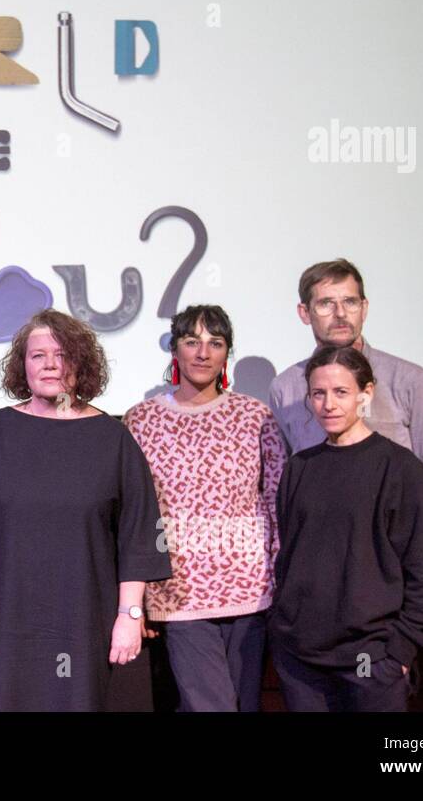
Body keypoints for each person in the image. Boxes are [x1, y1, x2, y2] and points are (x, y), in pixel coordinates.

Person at [0, 309, 171, 711]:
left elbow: (139, 534)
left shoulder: (112, 439)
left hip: (87, 622)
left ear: (81, 363)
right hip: (7, 622)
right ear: (23, 366)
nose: (51, 364)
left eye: (62, 354)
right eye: (38, 355)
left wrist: (130, 614)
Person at [124, 305, 285, 712]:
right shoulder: (141, 420)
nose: (203, 353)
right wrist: (133, 599)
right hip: (178, 592)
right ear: (174, 349)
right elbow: (132, 515)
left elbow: (277, 502)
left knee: (241, 705)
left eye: (215, 343)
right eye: (191, 341)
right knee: (211, 706)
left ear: (227, 352)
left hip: (251, 590)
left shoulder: (256, 416)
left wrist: (282, 578)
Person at [268, 346, 423, 712]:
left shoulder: (401, 469)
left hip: (373, 660)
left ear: (367, 393)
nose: (328, 404)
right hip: (301, 659)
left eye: (341, 392)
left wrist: (399, 650)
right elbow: (290, 555)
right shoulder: (299, 468)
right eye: (318, 393)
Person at [269, 258, 423, 545]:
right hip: (314, 547)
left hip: (387, 548)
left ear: (365, 308)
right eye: (325, 303)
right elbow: (284, 480)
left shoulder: (411, 380)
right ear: (304, 312)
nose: (340, 314)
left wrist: (422, 558)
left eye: (350, 302)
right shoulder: (285, 388)